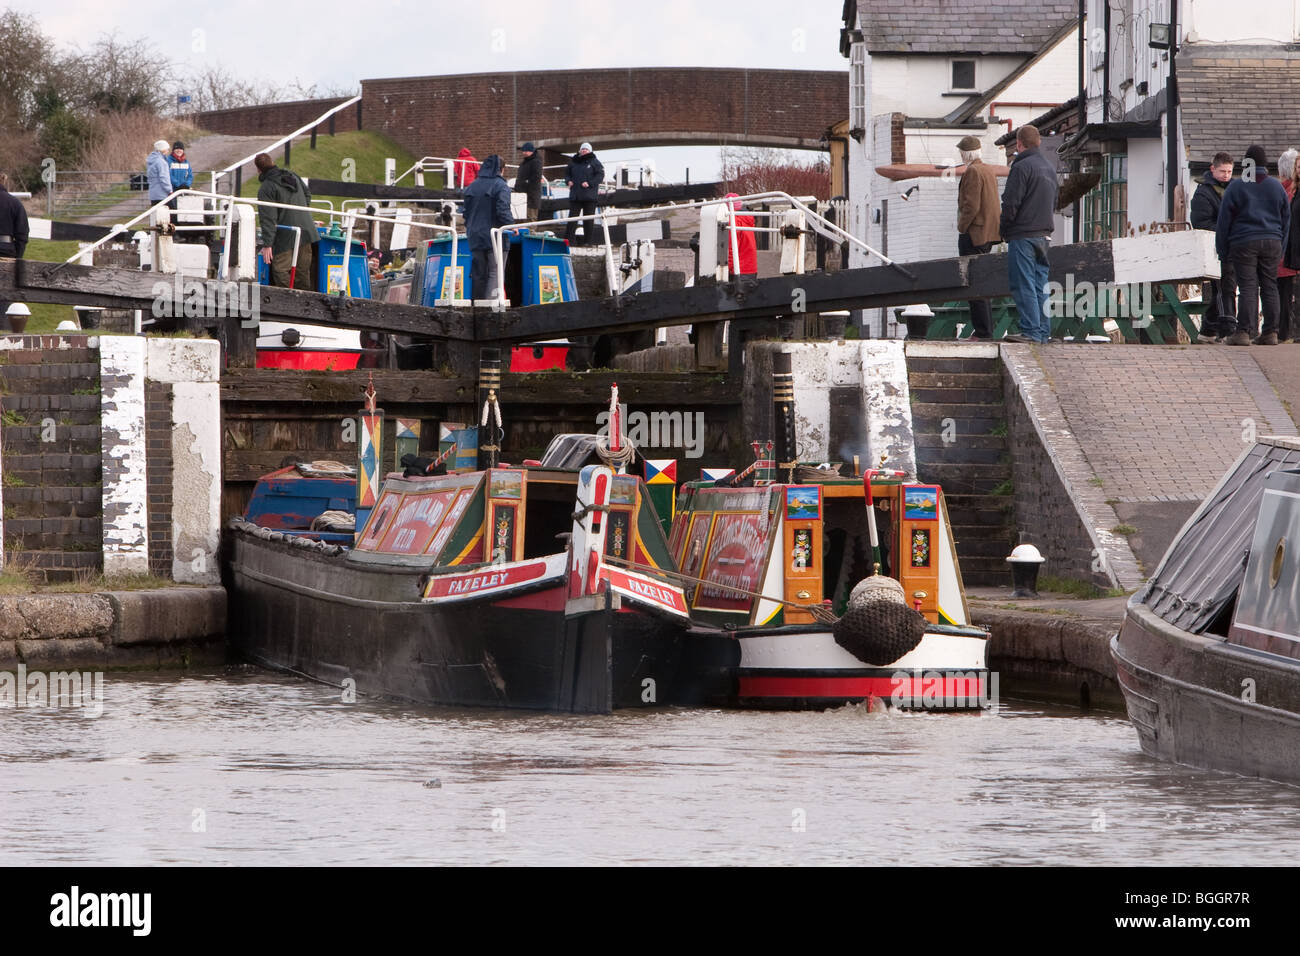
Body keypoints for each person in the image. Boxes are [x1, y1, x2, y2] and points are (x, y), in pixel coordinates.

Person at [1217, 144, 1290, 346]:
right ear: (1266, 165)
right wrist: (1281, 247)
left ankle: (1244, 332)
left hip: (1244, 241)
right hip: (1273, 241)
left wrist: (1223, 251)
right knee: (1269, 285)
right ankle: (1270, 332)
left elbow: (1224, 221)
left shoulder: (1237, 187)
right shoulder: (1276, 187)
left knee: (1248, 286)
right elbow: (1286, 219)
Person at [999, 124, 1058, 343]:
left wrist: (1004, 229)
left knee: (1023, 283)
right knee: (1040, 285)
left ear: (1019, 144)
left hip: (1023, 234)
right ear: (1039, 143)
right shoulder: (1049, 167)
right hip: (1044, 235)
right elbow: (1056, 201)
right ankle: (1043, 332)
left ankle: (1031, 331)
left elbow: (1010, 202)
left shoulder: (1021, 166)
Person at [955, 134, 1000, 339]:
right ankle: (984, 330)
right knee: (982, 283)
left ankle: (983, 332)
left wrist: (962, 227)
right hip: (988, 234)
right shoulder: (988, 170)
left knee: (973, 284)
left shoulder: (972, 171)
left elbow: (971, 205)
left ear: (966, 154)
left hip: (974, 233)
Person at [254, 152, 320, 291]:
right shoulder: (293, 175)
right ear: (272, 162)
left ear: (258, 169)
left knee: (280, 269)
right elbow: (307, 194)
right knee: (302, 270)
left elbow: (268, 219)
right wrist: (301, 214)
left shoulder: (266, 188)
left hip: (286, 234)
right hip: (306, 230)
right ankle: (305, 300)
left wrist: (267, 244)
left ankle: (288, 299)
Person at [1190, 152, 1237, 343]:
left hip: (1233, 245)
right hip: (1216, 247)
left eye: (1229, 171)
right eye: (1222, 171)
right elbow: (1201, 222)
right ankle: (1227, 329)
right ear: (1213, 169)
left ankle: (1209, 329)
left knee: (1226, 288)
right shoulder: (1203, 193)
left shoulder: (1235, 189)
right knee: (1224, 288)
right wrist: (1227, 229)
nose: (1226, 175)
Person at [462, 154, 513, 300]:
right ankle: (489, 308)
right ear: (501, 169)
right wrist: (511, 226)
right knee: (495, 272)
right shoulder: (501, 186)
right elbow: (503, 210)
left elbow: (465, 213)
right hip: (494, 236)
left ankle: (476, 306)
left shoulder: (472, 186)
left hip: (474, 236)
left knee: (478, 273)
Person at [0, 171, 30, 324]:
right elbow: (22, 235)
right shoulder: (14, 203)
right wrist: (17, 256)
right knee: (4, 295)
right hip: (6, 254)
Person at [1276, 149, 1299, 343]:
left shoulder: (1282, 191)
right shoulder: (1292, 191)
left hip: (1283, 253)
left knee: (1281, 295)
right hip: (1290, 252)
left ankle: (1282, 332)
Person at [564, 142, 604, 246]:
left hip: (589, 196)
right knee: (572, 219)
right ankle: (569, 241)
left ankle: (588, 242)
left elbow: (600, 175)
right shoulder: (573, 162)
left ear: (590, 151)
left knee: (588, 221)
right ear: (580, 150)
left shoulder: (595, 162)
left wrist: (590, 183)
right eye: (582, 149)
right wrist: (568, 181)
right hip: (576, 196)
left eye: (586, 149)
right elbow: (567, 173)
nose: (584, 151)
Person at [724, 192, 758, 276]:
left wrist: (730, 269)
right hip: (751, 269)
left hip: (739, 270)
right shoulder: (747, 219)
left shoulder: (733, 221)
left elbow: (731, 248)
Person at [514, 142, 543, 222]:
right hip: (522, 195)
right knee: (521, 216)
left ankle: (531, 232)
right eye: (523, 151)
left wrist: (525, 183)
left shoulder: (536, 162)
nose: (524, 153)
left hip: (531, 194)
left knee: (531, 216)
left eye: (526, 151)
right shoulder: (524, 163)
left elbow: (536, 177)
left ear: (531, 151)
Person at [146, 139, 173, 207]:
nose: (168, 151)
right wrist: (169, 190)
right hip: (162, 194)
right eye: (167, 149)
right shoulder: (161, 162)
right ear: (163, 149)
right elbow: (164, 178)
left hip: (153, 194)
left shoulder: (151, 160)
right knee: (172, 215)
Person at [168, 141, 192, 208]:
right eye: (177, 149)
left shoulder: (186, 161)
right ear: (173, 150)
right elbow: (168, 175)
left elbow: (190, 175)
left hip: (184, 190)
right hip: (173, 190)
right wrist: (178, 185)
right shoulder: (168, 160)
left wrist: (186, 185)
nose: (179, 151)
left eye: (181, 149)